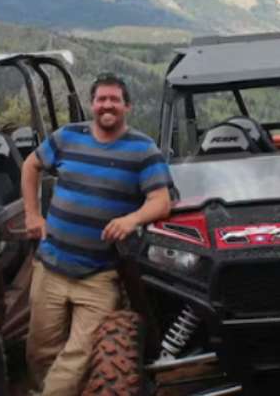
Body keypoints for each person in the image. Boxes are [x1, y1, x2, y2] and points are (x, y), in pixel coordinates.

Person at [20, 74, 172, 396]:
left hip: (100, 275)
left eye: (114, 100)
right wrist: (33, 215)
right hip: (50, 267)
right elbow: (31, 166)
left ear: (127, 106)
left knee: (79, 358)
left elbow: (161, 201)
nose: (107, 105)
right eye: (101, 99)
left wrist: (133, 218)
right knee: (39, 353)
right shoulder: (67, 137)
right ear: (92, 104)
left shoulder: (142, 149)